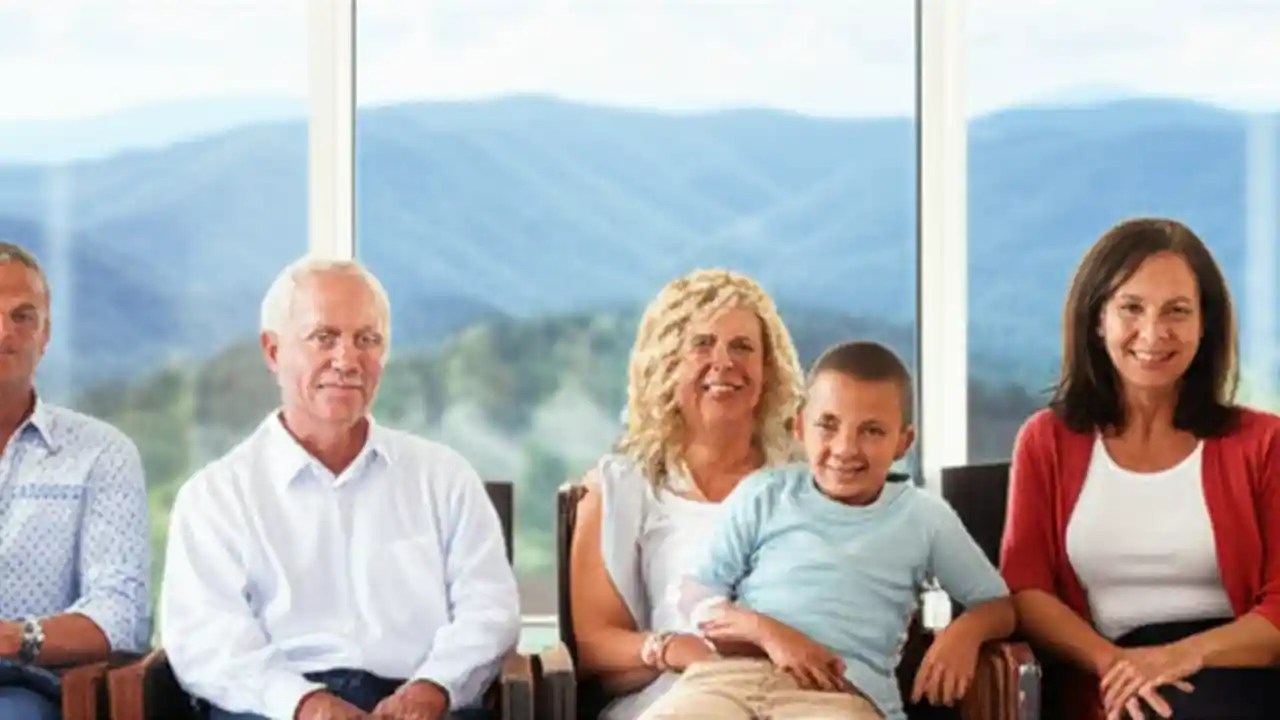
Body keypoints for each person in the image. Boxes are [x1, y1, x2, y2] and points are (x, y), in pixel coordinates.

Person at [160, 258, 520, 720]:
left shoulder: (444, 477)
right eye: (323, 338)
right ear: (273, 352)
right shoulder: (215, 496)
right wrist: (305, 704)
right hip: (275, 708)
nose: (347, 360)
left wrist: (433, 687)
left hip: (425, 705)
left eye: (367, 340)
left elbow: (490, 609)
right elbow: (206, 639)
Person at [637, 340, 1014, 720]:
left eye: (872, 431)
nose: (845, 448)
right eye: (827, 425)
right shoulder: (763, 495)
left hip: (839, 695)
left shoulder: (924, 517)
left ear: (903, 442)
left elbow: (998, 605)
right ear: (800, 426)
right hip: (728, 681)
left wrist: (964, 633)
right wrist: (766, 631)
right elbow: (693, 595)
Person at [1000, 217, 1280, 720]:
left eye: (1178, 311)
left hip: (1239, 672)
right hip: (1110, 676)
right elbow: (1026, 591)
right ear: (1097, 318)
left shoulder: (1263, 443)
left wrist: (1178, 657)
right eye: (1131, 307)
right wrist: (1118, 666)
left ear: (1205, 324)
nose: (1153, 333)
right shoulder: (1046, 441)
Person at [568, 268, 805, 718]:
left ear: (767, 369)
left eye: (742, 347)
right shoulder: (620, 487)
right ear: (667, 364)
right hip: (677, 694)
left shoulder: (803, 480)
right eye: (702, 344)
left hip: (794, 692)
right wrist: (673, 648)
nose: (724, 362)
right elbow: (592, 641)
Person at [0, 242, 151, 720]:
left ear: (45, 337)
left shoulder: (102, 453)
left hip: (22, 688)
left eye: (23, 316)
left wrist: (14, 638)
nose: (4, 331)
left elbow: (122, 614)